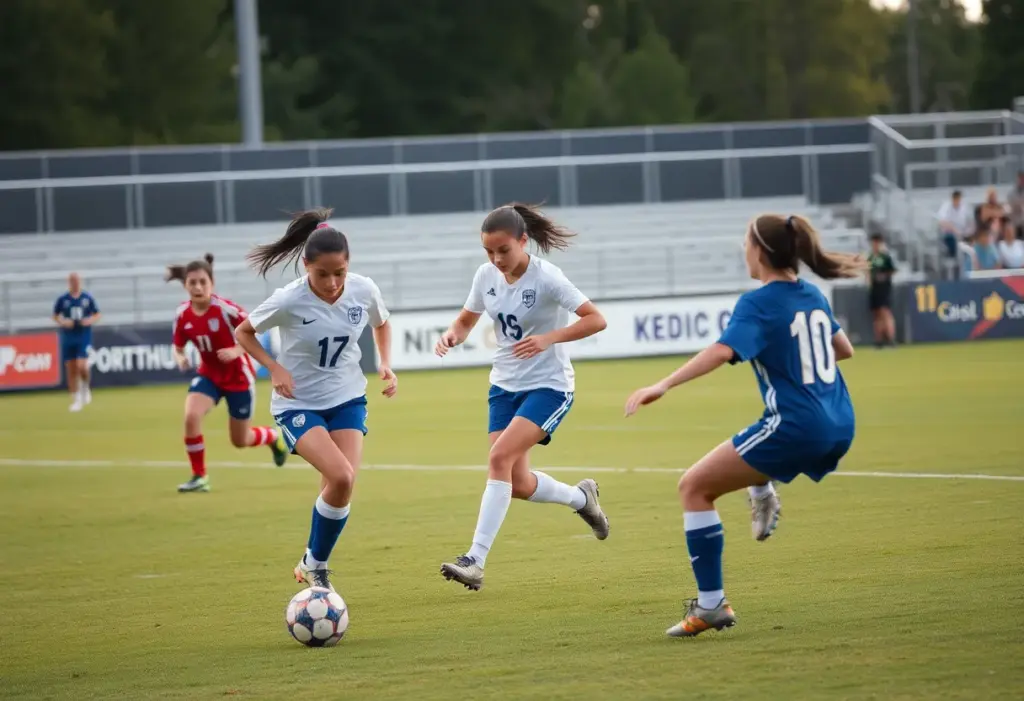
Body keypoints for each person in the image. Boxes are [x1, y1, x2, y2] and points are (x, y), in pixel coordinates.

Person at [624, 214, 863, 638]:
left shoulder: (758, 303)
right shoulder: (812, 294)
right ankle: (761, 489)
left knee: (693, 487)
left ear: (760, 251)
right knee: (751, 439)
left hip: (797, 425)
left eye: (746, 241)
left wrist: (662, 384)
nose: (742, 248)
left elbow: (720, 351)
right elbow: (842, 349)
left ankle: (712, 605)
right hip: (841, 421)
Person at [434, 203, 609, 592]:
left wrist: (548, 338)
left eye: (503, 250)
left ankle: (475, 561)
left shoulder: (547, 277)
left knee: (497, 458)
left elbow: (595, 319)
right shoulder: (485, 276)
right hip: (503, 386)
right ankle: (582, 499)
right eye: (489, 251)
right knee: (518, 483)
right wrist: (452, 335)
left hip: (549, 387)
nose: (496, 259)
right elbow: (466, 320)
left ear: (523, 241)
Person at [234, 208, 397, 593]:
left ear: (348, 264)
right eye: (322, 273)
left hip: (347, 398)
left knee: (340, 485)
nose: (331, 281)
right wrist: (274, 369)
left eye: (338, 272)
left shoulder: (363, 289)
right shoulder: (289, 299)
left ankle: (311, 563)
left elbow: (382, 322)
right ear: (306, 265)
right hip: (298, 404)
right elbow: (243, 332)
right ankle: (316, 565)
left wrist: (386, 364)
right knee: (341, 476)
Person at [168, 254, 289, 493]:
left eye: (203, 281)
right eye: (192, 282)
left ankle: (272, 437)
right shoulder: (182, 314)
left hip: (238, 379)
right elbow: (178, 345)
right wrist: (180, 357)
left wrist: (237, 349)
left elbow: (254, 330)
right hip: (209, 376)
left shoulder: (225, 309)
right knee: (191, 416)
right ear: (185, 285)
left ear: (211, 284)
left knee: (240, 440)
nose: (198, 287)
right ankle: (199, 477)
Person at [52, 273, 100, 412]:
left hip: (83, 335)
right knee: (71, 368)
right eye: (72, 281)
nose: (75, 283)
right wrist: (63, 322)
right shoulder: (63, 299)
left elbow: (97, 314)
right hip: (68, 336)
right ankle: (76, 399)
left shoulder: (86, 298)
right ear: (69, 283)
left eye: (77, 281)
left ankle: (85, 387)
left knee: (82, 366)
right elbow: (55, 315)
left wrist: (89, 321)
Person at [866, 233, 897, 348]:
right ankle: (878, 340)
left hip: (884, 288)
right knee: (876, 314)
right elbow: (868, 271)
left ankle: (890, 338)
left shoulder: (885, 257)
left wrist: (884, 276)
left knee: (885, 312)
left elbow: (892, 270)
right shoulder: (870, 257)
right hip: (874, 288)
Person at [936, 190, 972, 258]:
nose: (957, 201)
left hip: (963, 233)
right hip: (949, 234)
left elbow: (969, 220)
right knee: (953, 241)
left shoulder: (964, 207)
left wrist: (967, 230)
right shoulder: (946, 206)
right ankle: (954, 257)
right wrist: (954, 229)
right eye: (955, 199)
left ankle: (968, 258)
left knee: (970, 241)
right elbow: (941, 221)